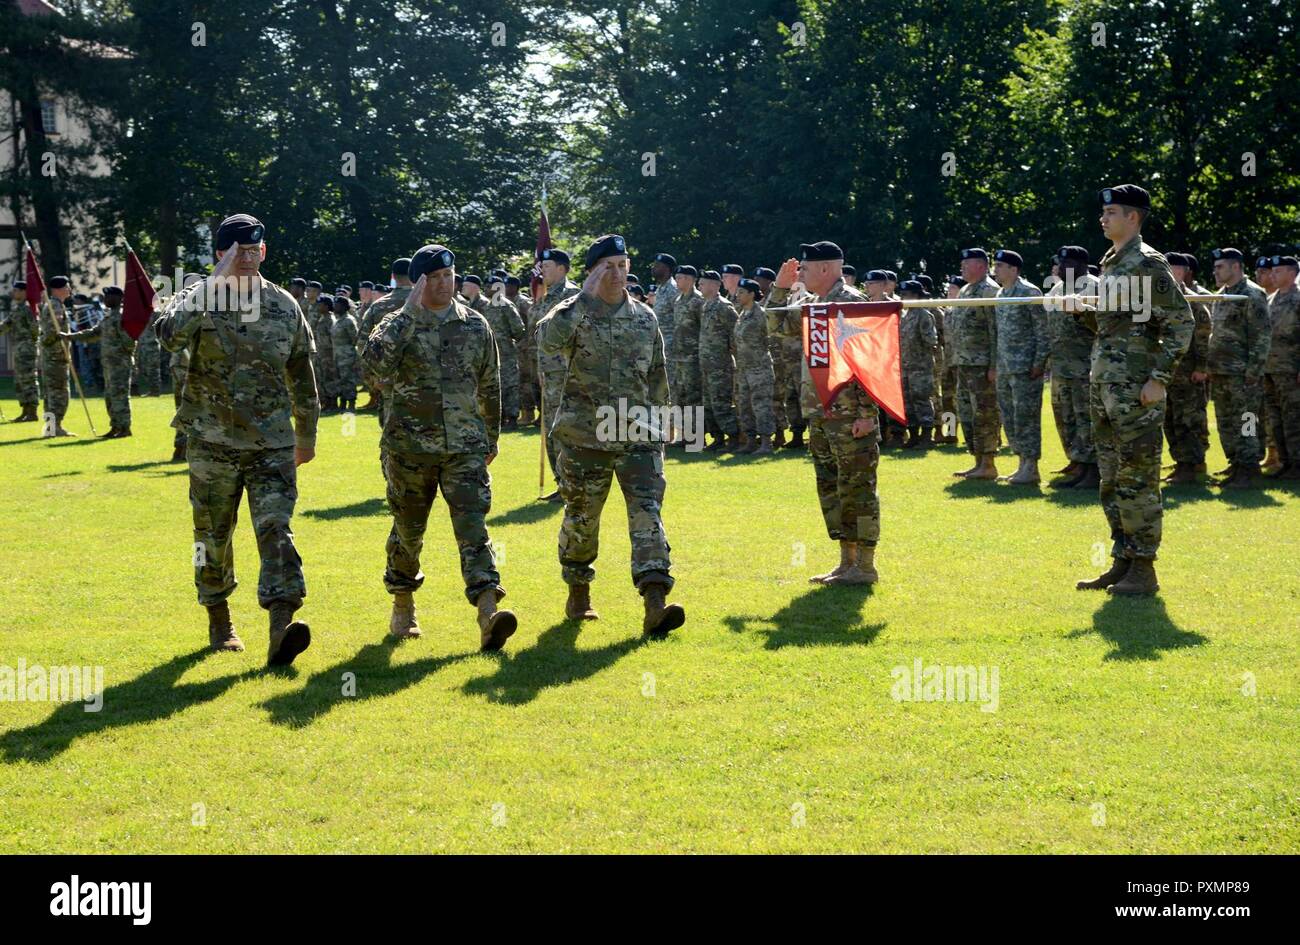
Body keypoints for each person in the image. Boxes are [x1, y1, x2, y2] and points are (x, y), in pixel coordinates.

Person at [154, 213, 319, 664]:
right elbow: (167, 336)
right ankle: (218, 616)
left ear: (263, 252)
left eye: (253, 251)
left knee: (276, 529)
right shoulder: (198, 297)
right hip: (212, 442)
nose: (247, 258)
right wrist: (212, 283)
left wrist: (307, 434)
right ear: (218, 255)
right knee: (212, 536)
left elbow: (302, 374)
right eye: (236, 251)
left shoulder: (285, 304)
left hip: (272, 443)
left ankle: (281, 625)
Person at [361, 244, 516, 651]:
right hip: (408, 448)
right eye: (435, 278)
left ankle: (488, 611)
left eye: (450, 276)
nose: (445, 283)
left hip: (464, 447)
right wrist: (409, 314)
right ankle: (403, 601)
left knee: (474, 529)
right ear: (418, 282)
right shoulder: (394, 323)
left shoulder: (475, 324)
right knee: (409, 532)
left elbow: (490, 384)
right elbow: (373, 369)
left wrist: (491, 437)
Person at [538, 234, 684, 635]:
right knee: (583, 519)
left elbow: (657, 374)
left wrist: (663, 422)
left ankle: (655, 601)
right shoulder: (572, 313)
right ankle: (579, 590)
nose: (618, 273)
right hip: (585, 437)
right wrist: (583, 298)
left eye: (622, 265)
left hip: (638, 435)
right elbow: (546, 342)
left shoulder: (644, 317)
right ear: (592, 272)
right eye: (608, 266)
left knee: (648, 516)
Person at [1073, 185, 1191, 595]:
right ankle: (1123, 560)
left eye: (1112, 212)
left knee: (1137, 478)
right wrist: (1083, 311)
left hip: (1136, 388)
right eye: (1103, 212)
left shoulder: (1147, 263)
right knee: (1111, 478)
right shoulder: (1112, 263)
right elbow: (1115, 327)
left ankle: (1144, 567)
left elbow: (1180, 321)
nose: (1103, 219)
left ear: (1133, 218)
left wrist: (1159, 379)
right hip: (1105, 384)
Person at [770, 241, 882, 585]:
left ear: (824, 268)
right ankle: (846, 562)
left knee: (857, 488)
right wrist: (779, 288)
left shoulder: (851, 302)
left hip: (850, 415)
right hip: (821, 413)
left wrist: (867, 413)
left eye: (804, 268)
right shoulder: (814, 304)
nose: (800, 272)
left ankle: (865, 565)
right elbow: (776, 326)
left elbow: (870, 363)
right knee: (832, 487)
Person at [1207, 247, 1271, 488]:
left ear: (1236, 267)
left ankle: (1249, 467)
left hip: (1243, 373)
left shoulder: (1252, 294)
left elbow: (1261, 336)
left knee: (1247, 420)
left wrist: (1253, 371)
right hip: (1222, 372)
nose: (1215, 271)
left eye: (1220, 266)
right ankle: (1236, 463)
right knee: (1226, 421)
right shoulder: (1222, 295)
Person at [991, 249, 1049, 484]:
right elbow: (999, 334)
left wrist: (1039, 362)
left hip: (1025, 367)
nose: (996, 270)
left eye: (1000, 266)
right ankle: (1021, 463)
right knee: (1010, 416)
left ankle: (1031, 466)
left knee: (1027, 417)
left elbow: (1042, 331)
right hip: (1005, 366)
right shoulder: (999, 294)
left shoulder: (1029, 292)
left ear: (1013, 269)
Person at [1044, 246, 1100, 488]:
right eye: (1060, 263)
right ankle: (1078, 463)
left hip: (1085, 367)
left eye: (1067, 263)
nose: (1061, 267)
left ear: (1080, 265)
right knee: (1066, 418)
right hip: (1061, 368)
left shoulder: (1095, 286)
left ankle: (1092, 470)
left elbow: (1105, 324)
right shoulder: (1057, 289)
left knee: (1086, 418)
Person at [533, 249, 581, 499]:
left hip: (566, 374)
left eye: (548, 266)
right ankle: (561, 483)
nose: (543, 270)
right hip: (548, 374)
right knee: (551, 430)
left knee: (565, 430)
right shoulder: (546, 295)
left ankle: (572, 483)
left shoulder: (572, 295)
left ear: (562, 268)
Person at [950, 249, 1001, 478]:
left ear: (980, 266)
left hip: (982, 365)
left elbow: (995, 330)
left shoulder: (990, 291)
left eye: (966, 264)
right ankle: (977, 460)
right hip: (964, 362)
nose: (962, 268)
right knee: (966, 411)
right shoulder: (966, 290)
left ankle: (988, 463)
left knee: (985, 413)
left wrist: (994, 365)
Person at [1161, 252, 1212, 484]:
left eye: (1171, 268)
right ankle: (1181, 462)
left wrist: (1201, 367)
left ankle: (1191, 466)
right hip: (1167, 373)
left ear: (1182, 272)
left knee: (1188, 421)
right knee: (1169, 420)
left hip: (1188, 372)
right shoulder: (1161, 299)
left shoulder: (1192, 301)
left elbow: (1203, 337)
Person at [59, 285, 136, 437]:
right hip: (108, 364)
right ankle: (115, 426)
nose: (105, 299)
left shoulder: (122, 317)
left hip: (119, 363)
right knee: (110, 396)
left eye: (109, 296)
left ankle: (125, 428)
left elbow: (130, 340)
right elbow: (94, 333)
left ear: (118, 298)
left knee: (119, 395)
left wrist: (123, 355)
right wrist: (70, 336)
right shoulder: (108, 317)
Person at [1262, 254, 1300, 479]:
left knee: (1294, 418)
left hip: (1290, 370)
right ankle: (1285, 463)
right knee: (1275, 419)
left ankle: (1298, 465)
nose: (1272, 275)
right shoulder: (1270, 299)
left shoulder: (1298, 300)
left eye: (1278, 271)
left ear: (1292, 273)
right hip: (1269, 369)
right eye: (1272, 271)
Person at [733, 278, 776, 454]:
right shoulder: (741, 315)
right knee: (744, 405)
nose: (738, 295)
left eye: (742, 292)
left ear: (752, 294)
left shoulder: (761, 315)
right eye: (738, 292)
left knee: (761, 405)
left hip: (759, 368)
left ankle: (766, 443)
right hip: (743, 368)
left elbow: (771, 338)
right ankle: (750, 441)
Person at [698, 270, 740, 450]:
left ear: (715, 285)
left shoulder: (724, 307)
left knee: (721, 402)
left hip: (720, 365)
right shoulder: (705, 305)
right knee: (708, 404)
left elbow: (735, 335)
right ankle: (717, 438)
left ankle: (734, 438)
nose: (700, 286)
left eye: (703, 283)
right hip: (707, 365)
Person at [897, 279, 939, 448]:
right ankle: (913, 435)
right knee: (908, 401)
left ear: (916, 296)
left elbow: (931, 340)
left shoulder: (924, 315)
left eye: (906, 295)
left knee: (921, 400)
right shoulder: (905, 315)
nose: (903, 298)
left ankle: (927, 436)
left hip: (921, 366)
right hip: (906, 366)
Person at [483, 274, 527, 430]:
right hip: (491, 354)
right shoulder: (487, 307)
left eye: (489, 287)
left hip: (506, 354)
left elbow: (519, 329)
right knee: (495, 385)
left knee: (510, 386)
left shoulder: (506, 305)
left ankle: (513, 418)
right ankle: (499, 418)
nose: (486, 289)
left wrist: (508, 339)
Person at [668, 265, 704, 443]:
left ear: (690, 280)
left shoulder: (698, 301)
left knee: (694, 397)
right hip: (679, 357)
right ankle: (684, 435)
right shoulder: (678, 300)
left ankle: (697, 437)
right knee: (680, 396)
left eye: (681, 278)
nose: (677, 281)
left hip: (693, 357)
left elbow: (703, 329)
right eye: (677, 277)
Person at [38, 275, 74, 437]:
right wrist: (62, 339)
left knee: (51, 393)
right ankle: (55, 427)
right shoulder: (55, 307)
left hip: (52, 356)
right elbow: (52, 332)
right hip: (56, 356)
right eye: (67, 287)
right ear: (58, 289)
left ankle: (50, 428)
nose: (69, 289)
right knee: (59, 393)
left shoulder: (53, 305)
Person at [0, 280, 40, 422]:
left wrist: (30, 343)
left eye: (16, 290)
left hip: (27, 349)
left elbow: (36, 328)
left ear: (24, 292)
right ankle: (25, 410)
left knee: (28, 379)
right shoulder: (17, 309)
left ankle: (32, 412)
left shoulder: (29, 308)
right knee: (20, 380)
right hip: (18, 349)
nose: (14, 292)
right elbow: (5, 325)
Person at [332, 294, 361, 412]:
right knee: (340, 380)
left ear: (344, 306)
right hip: (338, 355)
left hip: (347, 355)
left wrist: (355, 357)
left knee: (349, 380)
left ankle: (351, 403)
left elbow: (355, 338)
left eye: (338, 305)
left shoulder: (349, 321)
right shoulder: (337, 320)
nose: (335, 307)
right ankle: (342, 403)